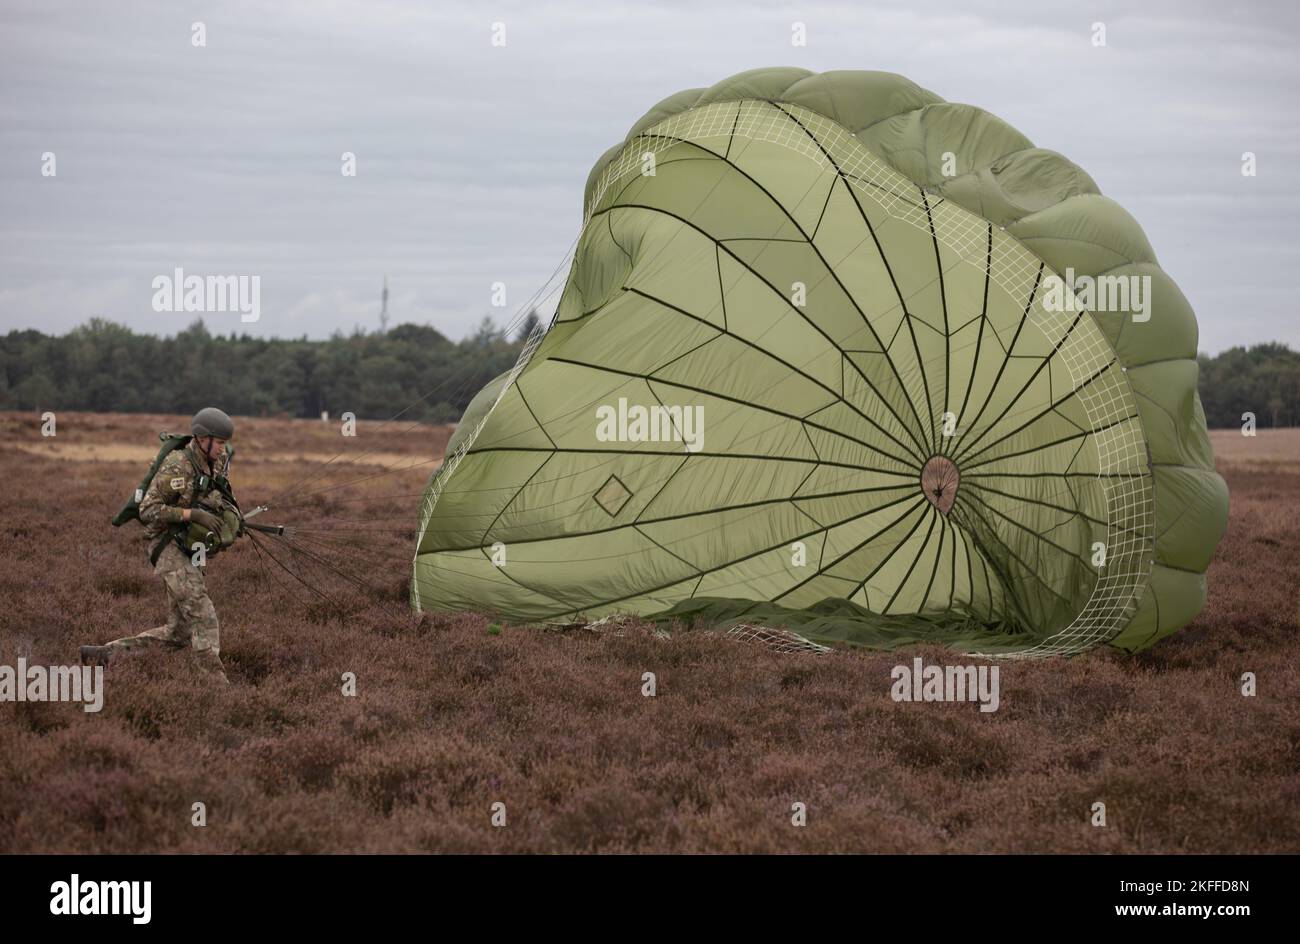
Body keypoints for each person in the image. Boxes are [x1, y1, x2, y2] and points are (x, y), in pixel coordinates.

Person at [81, 408, 238, 684]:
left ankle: (105, 655)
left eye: (225, 443)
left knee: (178, 634)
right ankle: (218, 689)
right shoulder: (177, 465)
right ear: (202, 439)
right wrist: (192, 515)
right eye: (220, 442)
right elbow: (148, 510)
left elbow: (219, 495)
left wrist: (231, 520)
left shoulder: (217, 460)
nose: (224, 449)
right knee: (203, 615)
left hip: (189, 546)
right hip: (167, 546)